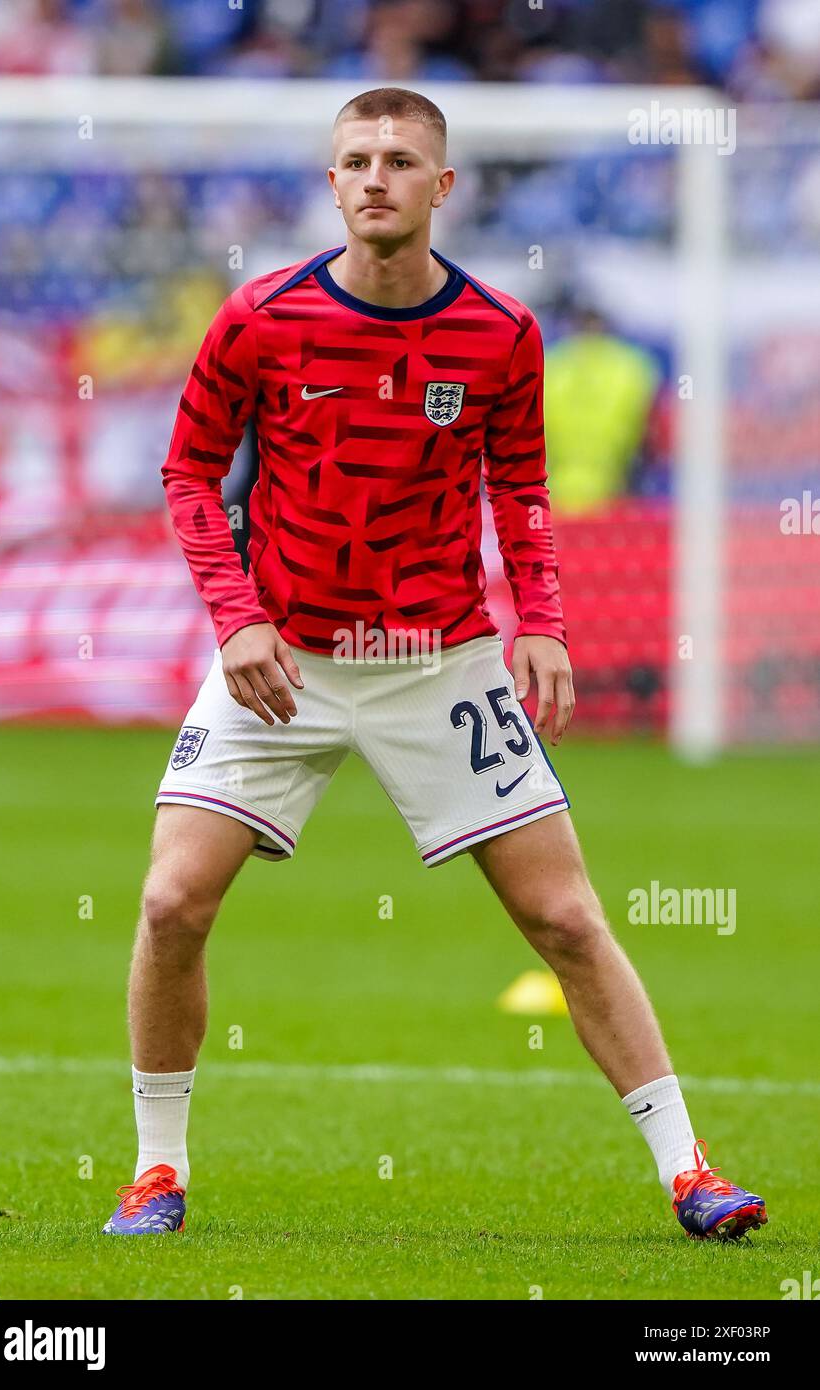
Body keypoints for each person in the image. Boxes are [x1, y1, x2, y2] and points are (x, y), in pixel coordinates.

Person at [103, 87, 766, 1243]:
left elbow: (522, 488)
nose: (375, 177)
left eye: (400, 160)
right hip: (283, 664)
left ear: (440, 187)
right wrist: (236, 616)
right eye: (355, 158)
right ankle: (157, 1172)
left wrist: (545, 620)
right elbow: (186, 474)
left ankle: (689, 1172)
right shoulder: (259, 317)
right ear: (330, 180)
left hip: (438, 663)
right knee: (169, 901)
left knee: (563, 917)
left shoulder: (500, 332)